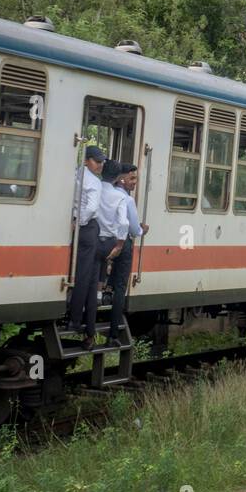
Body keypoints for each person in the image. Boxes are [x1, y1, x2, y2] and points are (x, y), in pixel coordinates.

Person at [105, 162, 149, 343]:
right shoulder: (127, 200)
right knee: (120, 287)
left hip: (104, 241)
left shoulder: (105, 192)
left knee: (102, 282)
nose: (135, 182)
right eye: (132, 178)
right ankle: (114, 333)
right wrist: (142, 230)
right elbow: (132, 228)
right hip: (122, 245)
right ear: (121, 179)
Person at [67, 145, 105, 344]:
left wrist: (74, 222)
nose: (100, 165)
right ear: (86, 160)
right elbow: (91, 208)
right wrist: (80, 223)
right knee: (86, 275)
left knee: (80, 272)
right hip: (88, 228)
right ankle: (75, 320)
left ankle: (78, 319)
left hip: (76, 225)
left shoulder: (75, 174)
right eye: (96, 161)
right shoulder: (95, 182)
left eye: (101, 162)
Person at [94, 160, 129, 343]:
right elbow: (123, 223)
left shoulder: (94, 188)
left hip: (93, 238)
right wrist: (120, 245)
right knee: (118, 282)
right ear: (117, 178)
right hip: (110, 241)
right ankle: (113, 333)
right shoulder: (120, 196)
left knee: (94, 271)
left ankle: (98, 296)